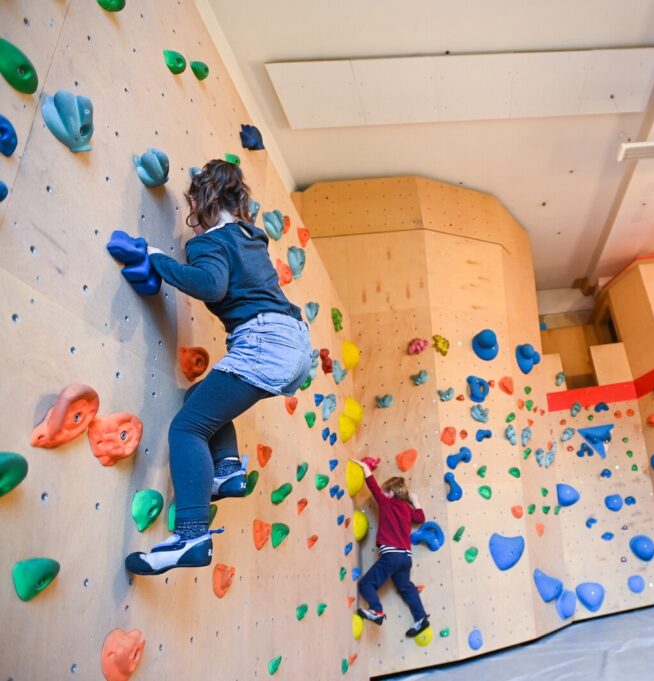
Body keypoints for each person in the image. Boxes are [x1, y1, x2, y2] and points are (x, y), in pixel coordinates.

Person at [125, 160, 315, 576]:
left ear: (199, 201)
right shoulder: (250, 237)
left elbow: (210, 285)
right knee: (203, 402)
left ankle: (191, 535)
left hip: (264, 340)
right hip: (295, 342)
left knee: (186, 428)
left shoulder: (209, 241)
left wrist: (158, 259)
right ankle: (227, 472)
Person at [351, 458, 430, 637]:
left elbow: (373, 487)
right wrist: (415, 500)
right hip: (406, 558)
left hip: (392, 556)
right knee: (406, 588)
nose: (383, 494)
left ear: (391, 493)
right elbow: (421, 517)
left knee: (366, 584)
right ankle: (421, 618)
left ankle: (376, 610)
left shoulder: (387, 503)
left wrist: (365, 468)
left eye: (386, 491)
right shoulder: (407, 509)